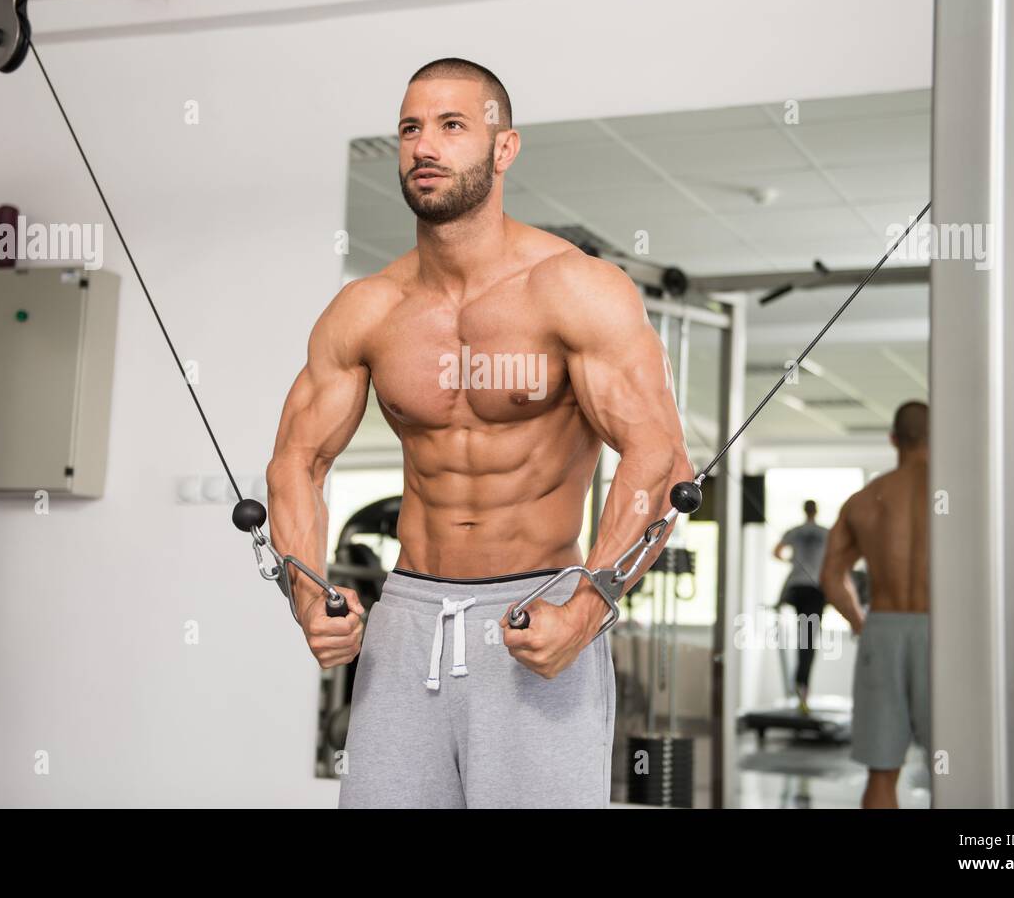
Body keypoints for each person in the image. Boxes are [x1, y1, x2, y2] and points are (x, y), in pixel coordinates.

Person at [265, 57, 694, 808]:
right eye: (409, 129)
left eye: (451, 125)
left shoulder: (576, 289)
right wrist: (306, 589)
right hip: (404, 618)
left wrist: (588, 608)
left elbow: (659, 459)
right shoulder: (366, 309)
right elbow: (297, 461)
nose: (424, 146)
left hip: (542, 616)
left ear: (504, 148)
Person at [818, 401, 930, 809]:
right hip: (944, 633)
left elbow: (831, 576)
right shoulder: (961, 494)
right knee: (953, 767)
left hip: (883, 628)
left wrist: (860, 621)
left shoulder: (865, 499)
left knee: (881, 772)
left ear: (893, 439)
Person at [773, 500, 828, 714]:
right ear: (817, 511)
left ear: (804, 511)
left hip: (796, 588)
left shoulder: (795, 531)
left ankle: (800, 685)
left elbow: (777, 552)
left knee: (804, 638)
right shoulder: (825, 532)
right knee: (808, 641)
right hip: (814, 590)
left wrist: (793, 562)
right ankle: (802, 686)